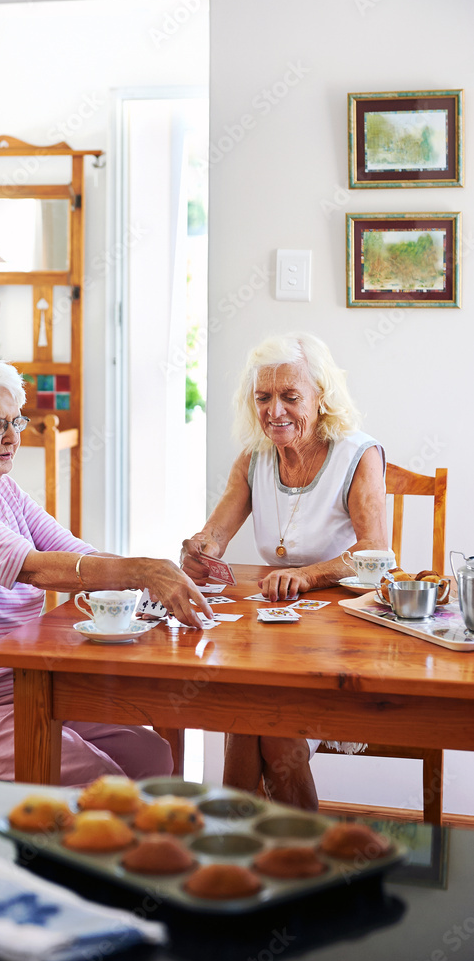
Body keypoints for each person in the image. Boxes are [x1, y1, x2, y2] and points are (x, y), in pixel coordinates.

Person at [0, 352, 212, 783]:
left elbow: (77, 554)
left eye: (16, 422)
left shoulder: (2, 490)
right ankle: (71, 848)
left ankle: (122, 847)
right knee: (102, 781)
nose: (13, 438)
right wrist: (145, 572)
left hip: (17, 688)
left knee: (152, 756)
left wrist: (168, 574)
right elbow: (35, 569)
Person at [180, 332, 388, 809]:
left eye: (290, 396)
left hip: (343, 637)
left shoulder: (359, 455)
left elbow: (377, 552)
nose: (275, 411)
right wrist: (198, 551)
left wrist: (309, 575)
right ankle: (273, 857)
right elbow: (215, 534)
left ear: (321, 398)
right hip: (273, 634)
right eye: (263, 397)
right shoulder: (254, 460)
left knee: (266, 728)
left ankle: (245, 852)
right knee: (247, 714)